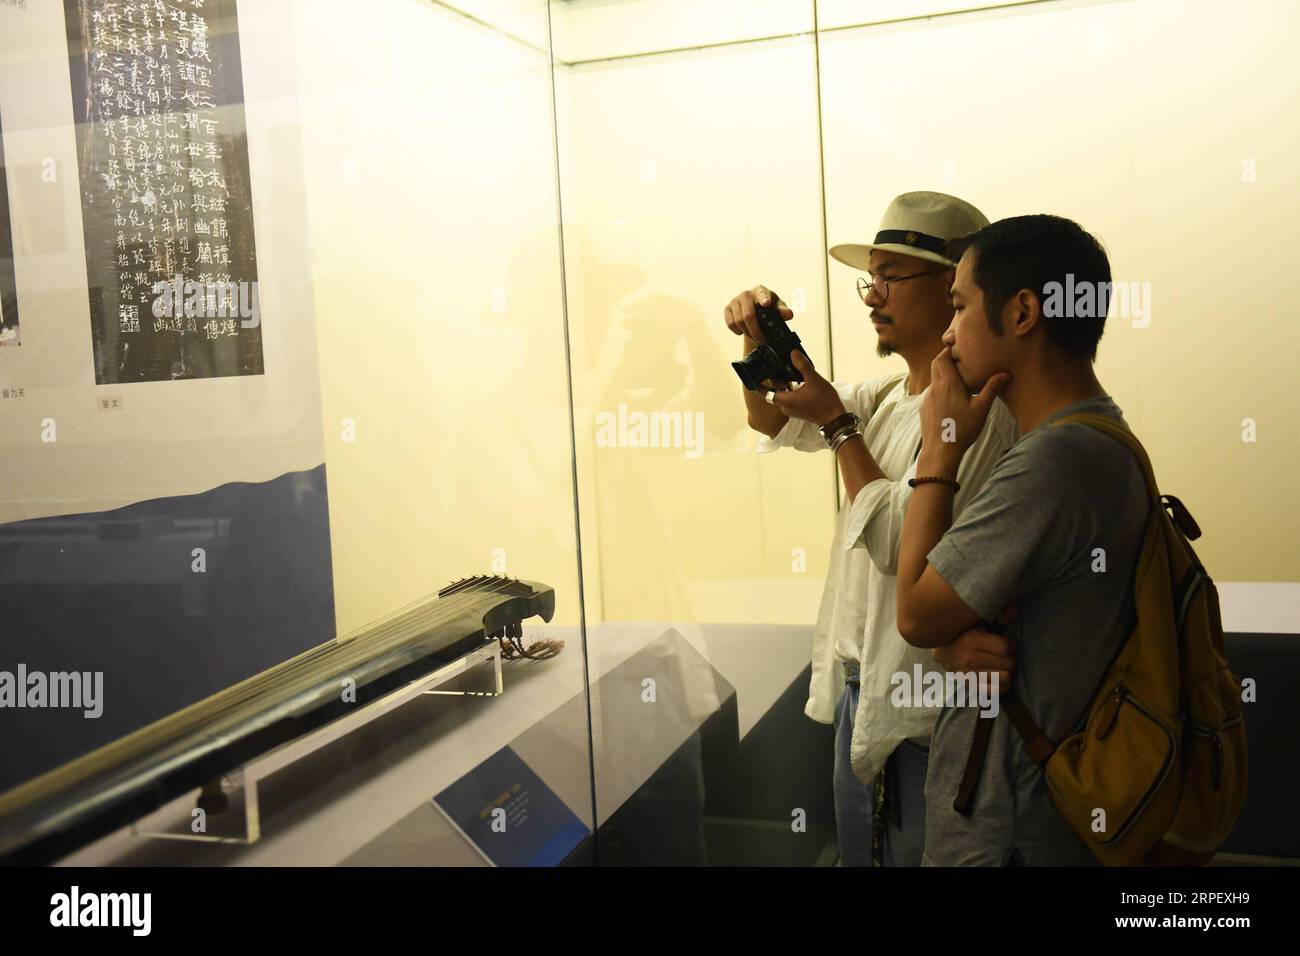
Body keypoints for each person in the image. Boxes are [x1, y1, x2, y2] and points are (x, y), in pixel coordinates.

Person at [726, 192, 1017, 865]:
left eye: (890, 277)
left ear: (954, 287)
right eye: (871, 277)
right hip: (870, 693)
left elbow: (896, 542)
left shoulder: (978, 415)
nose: (871, 295)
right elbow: (769, 419)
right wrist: (759, 343)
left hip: (926, 716)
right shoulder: (889, 398)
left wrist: (836, 425)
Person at [894, 213, 1150, 866]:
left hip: (1011, 831)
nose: (947, 335)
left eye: (958, 307)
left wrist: (941, 449)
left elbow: (917, 612)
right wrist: (956, 644)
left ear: (1023, 312)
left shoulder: (1053, 462)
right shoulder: (1100, 437)